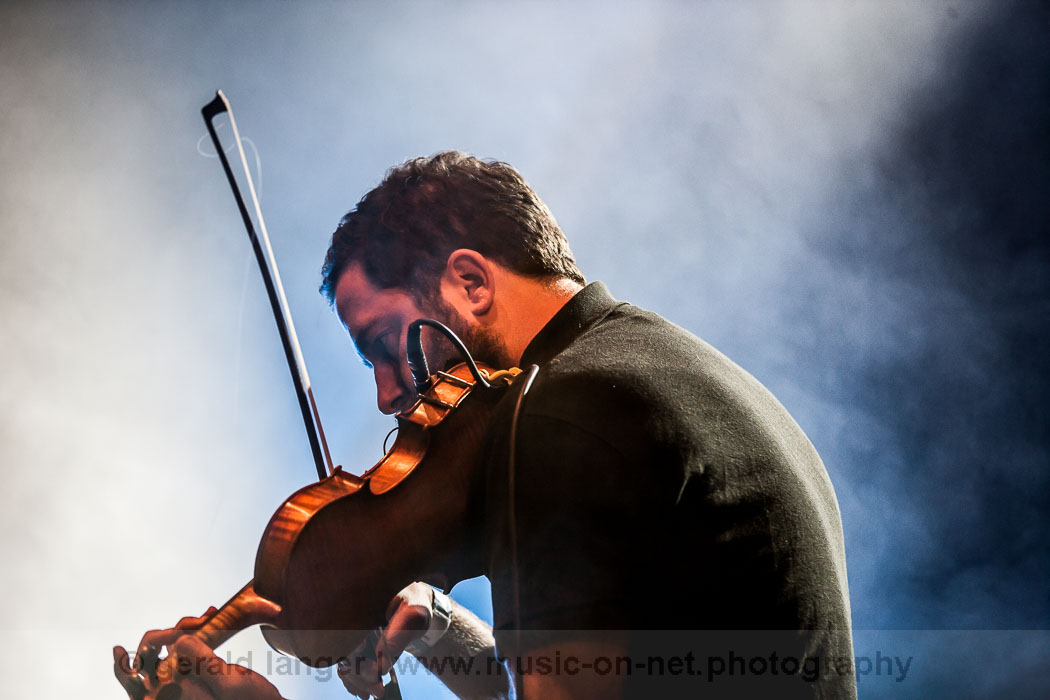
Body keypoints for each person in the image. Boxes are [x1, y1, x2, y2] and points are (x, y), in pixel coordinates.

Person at [115, 151, 855, 699]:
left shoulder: (564, 414)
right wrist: (441, 624)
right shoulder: (664, 368)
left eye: (384, 346)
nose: (384, 395)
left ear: (469, 282)